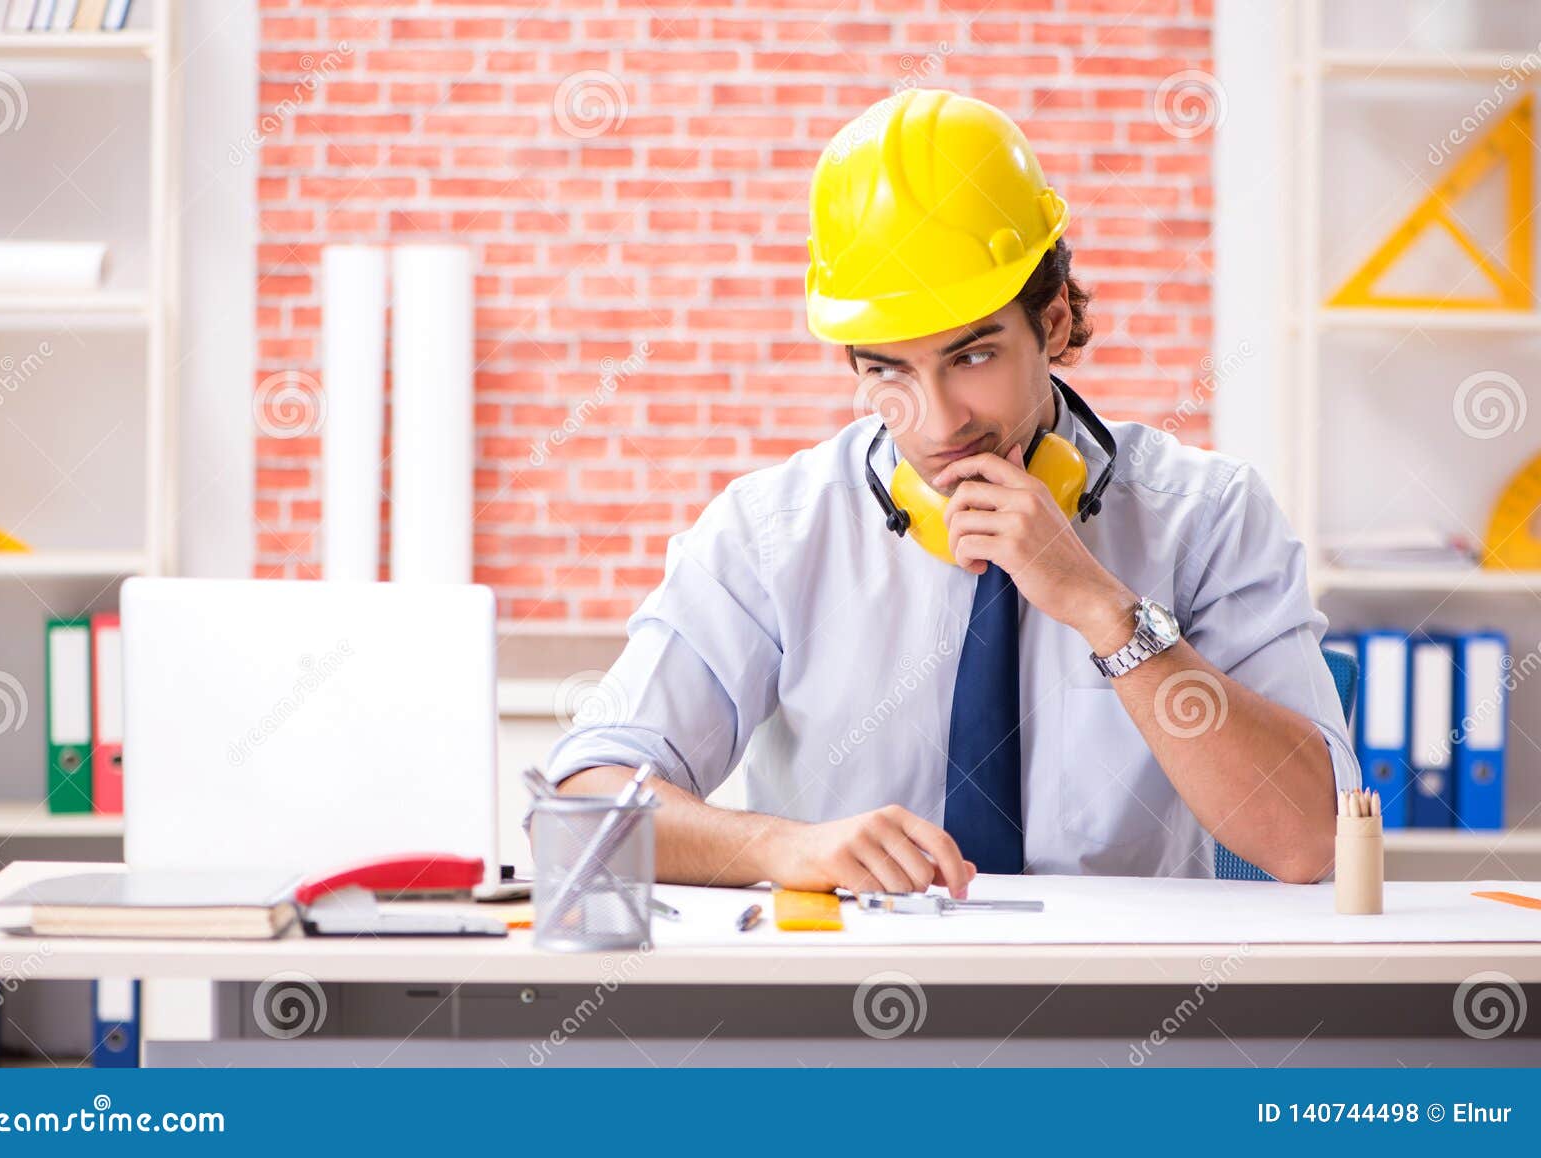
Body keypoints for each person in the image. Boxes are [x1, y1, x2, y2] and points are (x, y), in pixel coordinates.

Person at [547, 88, 1359, 893]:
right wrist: (781, 849)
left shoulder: (1208, 514)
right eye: (888, 371)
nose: (938, 424)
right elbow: (577, 814)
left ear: (1054, 322)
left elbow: (1311, 842)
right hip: (854, 974)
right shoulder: (772, 532)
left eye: (972, 357)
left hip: (1115, 978)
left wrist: (1103, 610)